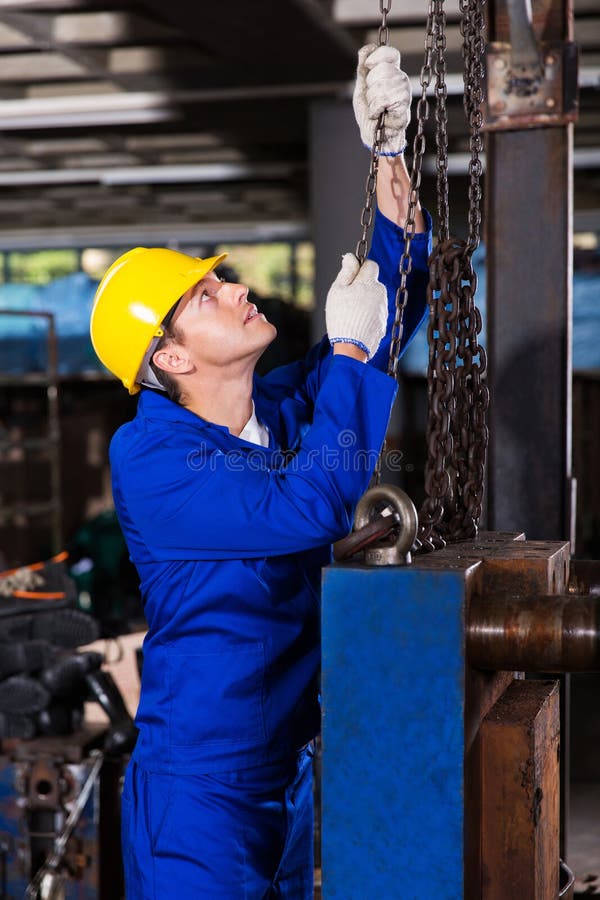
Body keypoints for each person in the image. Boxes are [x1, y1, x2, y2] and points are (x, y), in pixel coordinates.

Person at [90, 44, 432, 900]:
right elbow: (313, 506)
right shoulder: (151, 459)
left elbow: (386, 322)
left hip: (289, 767)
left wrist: (391, 161)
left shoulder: (273, 412)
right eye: (206, 296)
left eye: (223, 280)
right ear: (167, 356)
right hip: (200, 792)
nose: (237, 291)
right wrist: (348, 348)